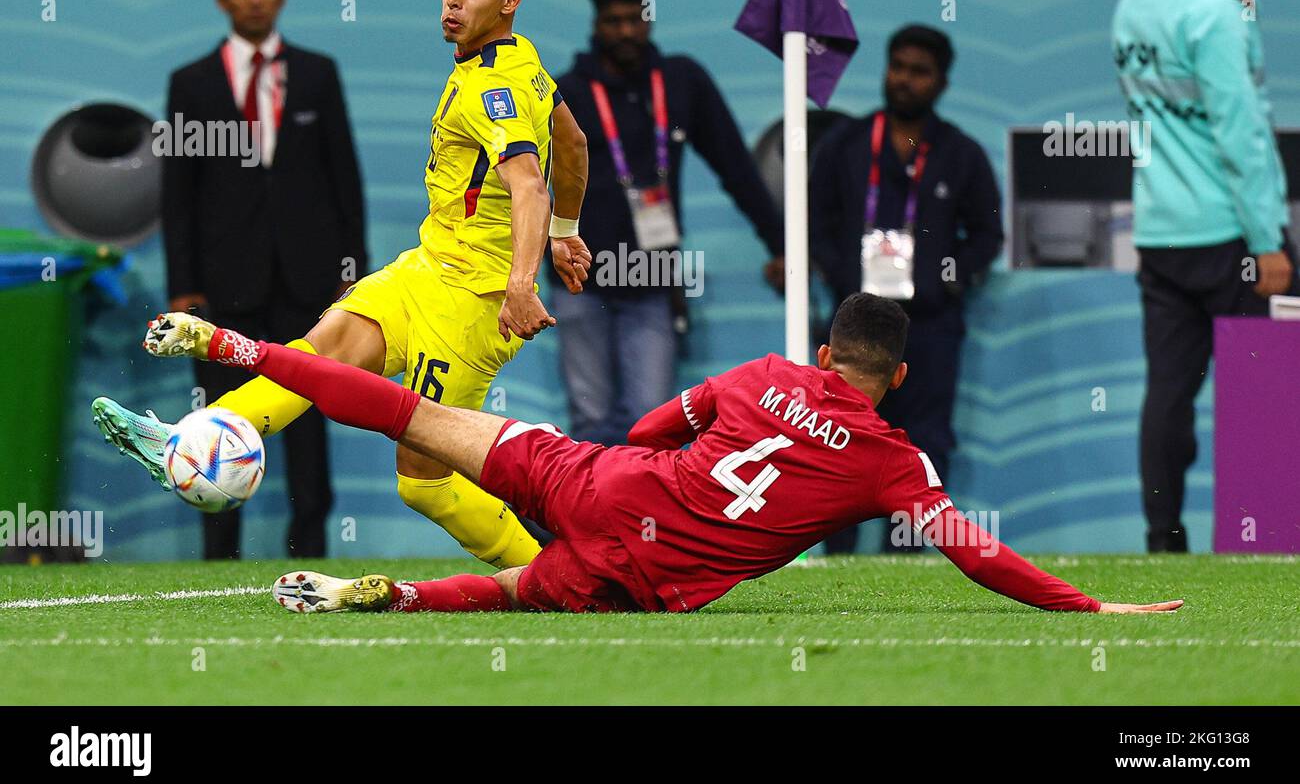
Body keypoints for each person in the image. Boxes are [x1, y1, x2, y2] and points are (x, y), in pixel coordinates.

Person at [93, 0, 593, 570]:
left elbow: (530, 184)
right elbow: (574, 143)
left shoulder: (494, 85)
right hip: (424, 273)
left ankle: (557, 574)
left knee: (424, 481)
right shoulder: (520, 59)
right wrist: (567, 237)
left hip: (471, 307)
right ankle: (186, 441)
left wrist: (524, 281)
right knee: (317, 356)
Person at [142, 300, 1179, 616]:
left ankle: (233, 346)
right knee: (518, 592)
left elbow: (645, 430)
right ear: (895, 378)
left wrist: (639, 449)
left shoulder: (762, 372)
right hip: (647, 565)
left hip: (599, 476)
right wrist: (1093, 608)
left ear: (824, 354)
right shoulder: (892, 464)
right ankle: (395, 597)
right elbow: (973, 553)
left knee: (410, 417)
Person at [115, 0, 369, 558]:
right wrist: (183, 290)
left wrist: (350, 275)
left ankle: (309, 552)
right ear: (223, 1)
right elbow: (179, 194)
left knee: (306, 418)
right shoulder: (191, 83)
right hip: (221, 289)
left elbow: (345, 181)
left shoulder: (318, 73)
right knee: (213, 421)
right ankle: (217, 557)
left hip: (310, 286)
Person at [1112, 0, 1300, 552]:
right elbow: (1241, 130)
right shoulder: (1214, 15)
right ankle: (1265, 531)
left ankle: (1164, 537)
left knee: (1168, 392)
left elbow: (1188, 95)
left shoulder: (1132, 6)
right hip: (1230, 233)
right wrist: (1268, 238)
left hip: (1161, 231)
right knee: (1263, 386)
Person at [552, 0, 784, 446]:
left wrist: (780, 246)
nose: (625, 32)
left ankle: (642, 524)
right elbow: (527, 184)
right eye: (613, 21)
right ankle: (588, 524)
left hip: (651, 281)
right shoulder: (566, 94)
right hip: (578, 282)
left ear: (649, 20)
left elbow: (735, 167)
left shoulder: (682, 83)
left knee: (650, 426)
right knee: (590, 424)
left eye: (635, 19)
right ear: (596, 25)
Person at [810, 25, 1002, 554]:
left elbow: (988, 234)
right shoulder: (846, 144)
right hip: (852, 323)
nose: (905, 80)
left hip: (929, 328)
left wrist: (943, 281)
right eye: (898, 67)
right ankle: (837, 556)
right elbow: (814, 223)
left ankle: (908, 557)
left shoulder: (960, 153)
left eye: (920, 72)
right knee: (838, 439)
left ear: (940, 82)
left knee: (923, 442)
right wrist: (840, 275)